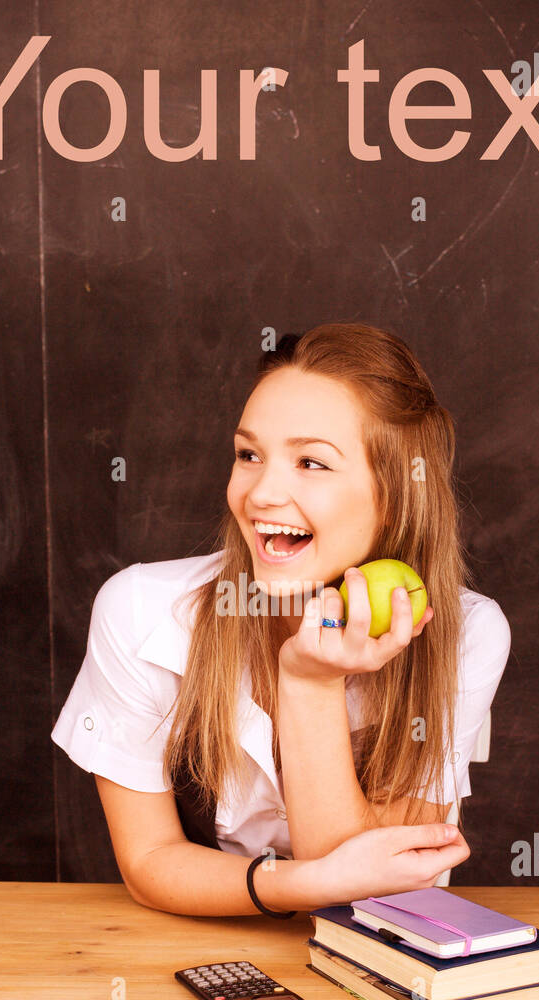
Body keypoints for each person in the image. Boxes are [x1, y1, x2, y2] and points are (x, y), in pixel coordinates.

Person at [51, 323, 511, 918]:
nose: (262, 493)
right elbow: (150, 861)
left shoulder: (467, 635)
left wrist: (309, 682)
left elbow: (374, 898)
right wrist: (296, 885)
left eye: (311, 463)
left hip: (385, 963)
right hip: (214, 951)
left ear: (396, 492)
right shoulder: (141, 611)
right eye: (249, 455)